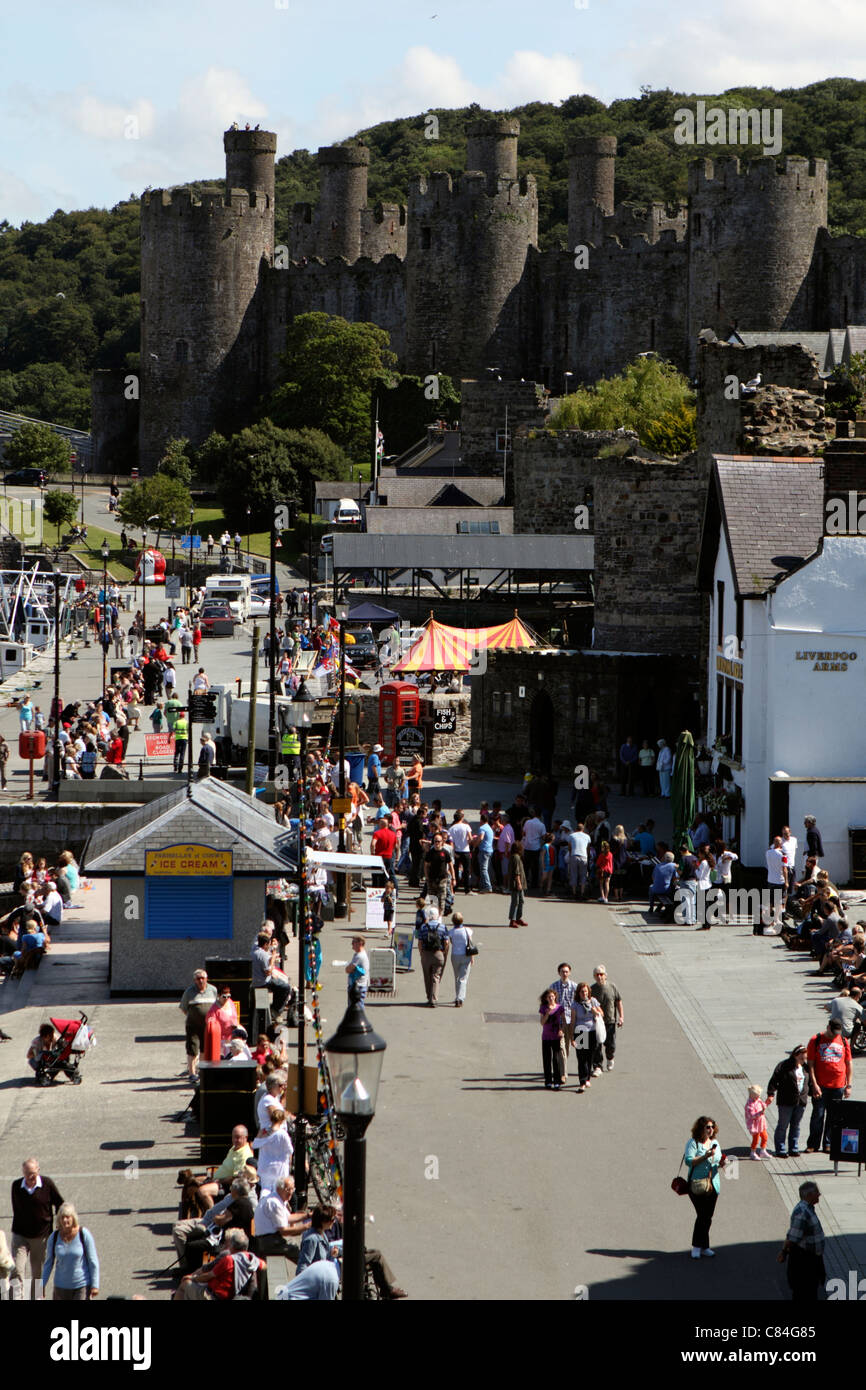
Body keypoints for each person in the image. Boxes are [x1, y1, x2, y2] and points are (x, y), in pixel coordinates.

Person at [10, 1157, 64, 1299]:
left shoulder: (47, 1184)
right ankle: (17, 1297)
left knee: (37, 1273)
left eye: (33, 1173)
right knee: (17, 1269)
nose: (30, 1177)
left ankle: (35, 1297)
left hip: (41, 1236)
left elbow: (60, 1203)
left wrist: (59, 1222)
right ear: (23, 1173)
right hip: (20, 1235)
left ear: (38, 1171)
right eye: (27, 1174)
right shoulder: (16, 1186)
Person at [174, 1228, 262, 1301]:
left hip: (215, 1296)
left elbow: (208, 1275)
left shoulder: (228, 1258)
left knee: (184, 1285)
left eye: (227, 1242)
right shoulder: (253, 1260)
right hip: (237, 1295)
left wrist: (192, 1277)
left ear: (232, 1245)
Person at [805, 1018, 852, 1153]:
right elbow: (811, 1064)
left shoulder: (843, 1041)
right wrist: (814, 1084)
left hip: (838, 1086)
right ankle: (813, 1144)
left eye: (838, 1032)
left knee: (833, 1116)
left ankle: (828, 1143)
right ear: (828, 1027)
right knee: (818, 1115)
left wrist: (849, 1085)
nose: (836, 1035)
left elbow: (849, 1063)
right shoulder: (816, 1040)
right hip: (821, 1086)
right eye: (833, 1032)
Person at [683, 1116, 723, 1258]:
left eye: (712, 1126)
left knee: (708, 1216)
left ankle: (704, 1246)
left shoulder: (715, 1142)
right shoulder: (693, 1143)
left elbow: (717, 1160)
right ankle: (696, 1246)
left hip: (713, 1185)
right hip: (697, 1184)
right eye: (708, 1127)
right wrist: (705, 1156)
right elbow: (689, 1161)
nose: (711, 1129)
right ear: (701, 1128)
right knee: (702, 1215)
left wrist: (724, 1163)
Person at [778, 1182, 825, 1302]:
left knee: (810, 1293)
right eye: (816, 1192)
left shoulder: (808, 1209)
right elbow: (792, 1238)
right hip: (804, 1263)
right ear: (809, 1195)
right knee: (803, 1294)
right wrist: (783, 1252)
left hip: (812, 1259)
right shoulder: (802, 1212)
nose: (819, 1194)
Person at [42, 1203, 99, 1301]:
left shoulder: (83, 1234)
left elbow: (93, 1261)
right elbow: (48, 1263)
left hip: (81, 1285)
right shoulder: (54, 1237)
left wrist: (95, 1285)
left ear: (73, 1218)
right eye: (62, 1217)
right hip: (60, 1287)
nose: (65, 1220)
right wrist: (41, 1286)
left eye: (67, 1217)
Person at [766, 1045, 809, 1157]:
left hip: (800, 1101)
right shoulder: (784, 1066)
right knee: (783, 1125)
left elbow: (809, 1082)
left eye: (805, 1058)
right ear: (795, 1055)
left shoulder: (805, 1067)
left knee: (796, 1125)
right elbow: (774, 1080)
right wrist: (771, 1093)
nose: (803, 1061)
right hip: (786, 1101)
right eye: (801, 1058)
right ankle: (780, 1149)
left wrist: (813, 1091)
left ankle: (793, 1148)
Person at [253, 1176, 311, 1257]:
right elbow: (284, 1231)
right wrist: (306, 1226)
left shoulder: (278, 1199)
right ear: (278, 1189)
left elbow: (289, 1218)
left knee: (300, 1247)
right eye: (288, 1189)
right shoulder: (274, 1203)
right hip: (268, 1241)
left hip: (270, 1238)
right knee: (296, 1250)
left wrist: (308, 1215)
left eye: (292, 1189)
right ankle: (305, 1268)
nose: (291, 1192)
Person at [179, 969, 218, 1079]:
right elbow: (183, 1008)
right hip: (193, 1026)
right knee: (192, 1049)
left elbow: (217, 1007)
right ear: (194, 980)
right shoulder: (189, 991)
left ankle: (202, 1070)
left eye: (202, 978)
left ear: (206, 979)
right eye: (198, 978)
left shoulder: (213, 990)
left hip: (207, 1026)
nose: (200, 981)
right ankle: (192, 1073)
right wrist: (194, 1016)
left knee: (204, 1049)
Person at [252, 1109, 294, 1195]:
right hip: (279, 1168)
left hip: (265, 1167)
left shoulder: (264, 1131)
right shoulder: (283, 1134)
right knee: (279, 1192)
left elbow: (255, 1144)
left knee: (265, 1190)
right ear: (282, 1120)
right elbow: (290, 1150)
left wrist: (261, 1134)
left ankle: (263, 1205)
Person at [590, 965, 623, 1072]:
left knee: (610, 1045)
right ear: (594, 977)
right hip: (597, 1022)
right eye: (597, 975)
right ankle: (598, 1066)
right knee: (597, 1045)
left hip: (610, 1021)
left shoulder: (612, 987)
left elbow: (618, 1001)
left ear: (605, 976)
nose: (599, 976)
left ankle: (610, 1058)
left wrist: (621, 1017)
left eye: (601, 974)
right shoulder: (592, 989)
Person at [573, 982, 604, 1091]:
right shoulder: (575, 1004)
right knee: (581, 1058)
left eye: (585, 991)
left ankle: (587, 1079)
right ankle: (582, 1081)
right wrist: (572, 1037)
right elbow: (573, 1021)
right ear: (578, 993)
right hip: (580, 1031)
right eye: (582, 991)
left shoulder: (593, 1001)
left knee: (590, 1056)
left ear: (588, 992)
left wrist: (594, 1010)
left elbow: (601, 1014)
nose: (584, 993)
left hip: (592, 1031)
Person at [416, 908, 449, 1007]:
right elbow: (446, 942)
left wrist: (421, 952)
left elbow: (420, 942)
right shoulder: (442, 927)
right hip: (438, 953)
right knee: (436, 976)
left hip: (426, 953)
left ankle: (428, 996)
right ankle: (433, 999)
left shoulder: (423, 927)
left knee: (427, 976)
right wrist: (444, 952)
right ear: (437, 916)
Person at [550, 963, 577, 1080]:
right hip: (559, 1021)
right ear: (559, 973)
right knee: (561, 1047)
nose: (564, 974)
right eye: (562, 971)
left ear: (569, 972)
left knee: (569, 1046)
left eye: (566, 971)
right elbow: (549, 1003)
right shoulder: (554, 986)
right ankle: (563, 1073)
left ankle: (586, 1072)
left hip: (572, 1020)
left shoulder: (575, 987)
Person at [447, 911, 474, 1008]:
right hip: (465, 955)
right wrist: (472, 957)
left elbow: (451, 942)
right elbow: (470, 944)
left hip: (455, 956)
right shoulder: (468, 930)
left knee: (457, 977)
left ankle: (457, 996)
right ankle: (460, 999)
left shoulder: (451, 932)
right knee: (463, 978)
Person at [539, 989, 565, 1090]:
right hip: (546, 1037)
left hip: (556, 1037)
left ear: (555, 997)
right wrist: (547, 1013)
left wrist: (562, 1030)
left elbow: (563, 1021)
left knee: (556, 1059)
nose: (551, 998)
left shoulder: (560, 1008)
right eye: (549, 997)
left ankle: (557, 1081)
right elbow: (542, 1022)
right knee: (547, 1059)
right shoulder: (543, 1008)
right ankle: (548, 1081)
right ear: (546, 998)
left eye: (552, 996)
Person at [745, 1083, 769, 1160]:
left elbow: (762, 1103)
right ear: (752, 1095)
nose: (759, 1097)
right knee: (756, 1139)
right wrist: (760, 1113)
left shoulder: (758, 1100)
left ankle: (763, 1150)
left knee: (765, 1136)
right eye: (757, 1095)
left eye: (759, 1095)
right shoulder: (749, 1105)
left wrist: (765, 1105)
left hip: (760, 1123)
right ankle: (753, 1152)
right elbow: (752, 1115)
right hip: (755, 1124)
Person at [507, 841, 528, 928]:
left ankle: (518, 917)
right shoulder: (515, 857)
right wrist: (518, 883)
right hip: (516, 883)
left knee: (521, 901)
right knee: (515, 901)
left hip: (520, 883)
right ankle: (513, 919)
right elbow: (516, 872)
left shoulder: (517, 857)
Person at [345, 935, 369, 1004]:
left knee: (356, 1008)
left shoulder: (359, 956)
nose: (352, 944)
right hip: (359, 985)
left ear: (360, 943)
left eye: (353, 942)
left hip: (357, 987)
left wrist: (349, 968)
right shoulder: (359, 954)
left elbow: (348, 970)